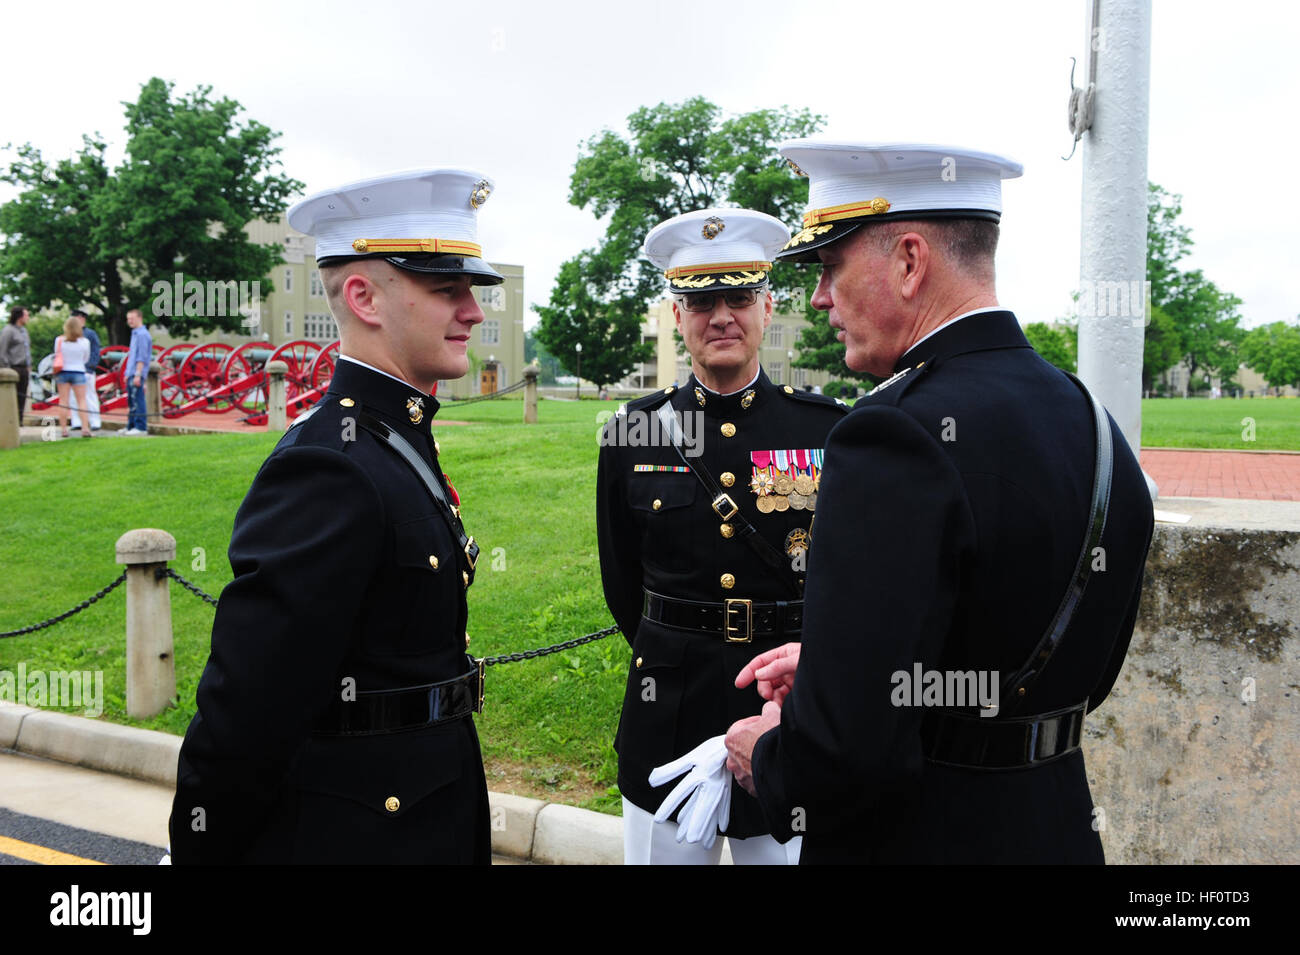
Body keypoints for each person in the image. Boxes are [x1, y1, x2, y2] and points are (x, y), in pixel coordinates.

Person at [724, 141, 1155, 864]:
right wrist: (848, 667)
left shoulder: (891, 433)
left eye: (830, 266)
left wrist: (766, 752)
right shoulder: (1092, 422)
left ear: (910, 260)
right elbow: (1079, 669)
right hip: (1056, 827)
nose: (820, 297)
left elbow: (841, 760)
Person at [169, 168, 501, 864]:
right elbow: (247, 712)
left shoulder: (395, 437)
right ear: (363, 297)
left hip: (424, 814)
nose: (473, 310)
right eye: (448, 289)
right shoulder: (328, 467)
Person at [598, 208, 846, 864]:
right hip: (668, 710)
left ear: (767, 307)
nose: (721, 316)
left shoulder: (825, 429)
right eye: (702, 301)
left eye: (739, 297)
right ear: (677, 316)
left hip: (782, 707)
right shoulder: (635, 430)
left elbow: (843, 578)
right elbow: (623, 581)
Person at [52, 317, 93, 439]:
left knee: (63, 401)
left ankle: (64, 429)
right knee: (82, 400)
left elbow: (57, 355)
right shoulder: (85, 342)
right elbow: (86, 358)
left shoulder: (59, 340)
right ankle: (85, 428)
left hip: (63, 370)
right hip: (79, 370)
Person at [67, 309, 101, 431]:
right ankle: (76, 421)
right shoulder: (69, 334)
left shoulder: (90, 334)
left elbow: (95, 352)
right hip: (72, 370)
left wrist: (90, 367)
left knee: (89, 396)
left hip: (86, 370)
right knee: (73, 397)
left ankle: (94, 421)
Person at [122, 308, 152, 435]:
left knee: (137, 399)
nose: (130, 321)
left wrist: (138, 374)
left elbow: (142, 357)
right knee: (131, 400)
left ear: (140, 318)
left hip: (137, 373)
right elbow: (132, 356)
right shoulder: (135, 334)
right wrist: (127, 373)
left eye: (132, 319)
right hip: (131, 372)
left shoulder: (142, 335)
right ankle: (131, 425)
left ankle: (140, 427)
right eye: (128, 319)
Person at [0, 307, 31, 424]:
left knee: (22, 396)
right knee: (11, 397)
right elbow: (2, 351)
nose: (28, 318)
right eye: (26, 315)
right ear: (20, 317)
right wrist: (6, 368)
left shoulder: (24, 331)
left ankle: (20, 421)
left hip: (24, 368)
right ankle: (9, 422)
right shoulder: (8, 331)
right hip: (13, 367)